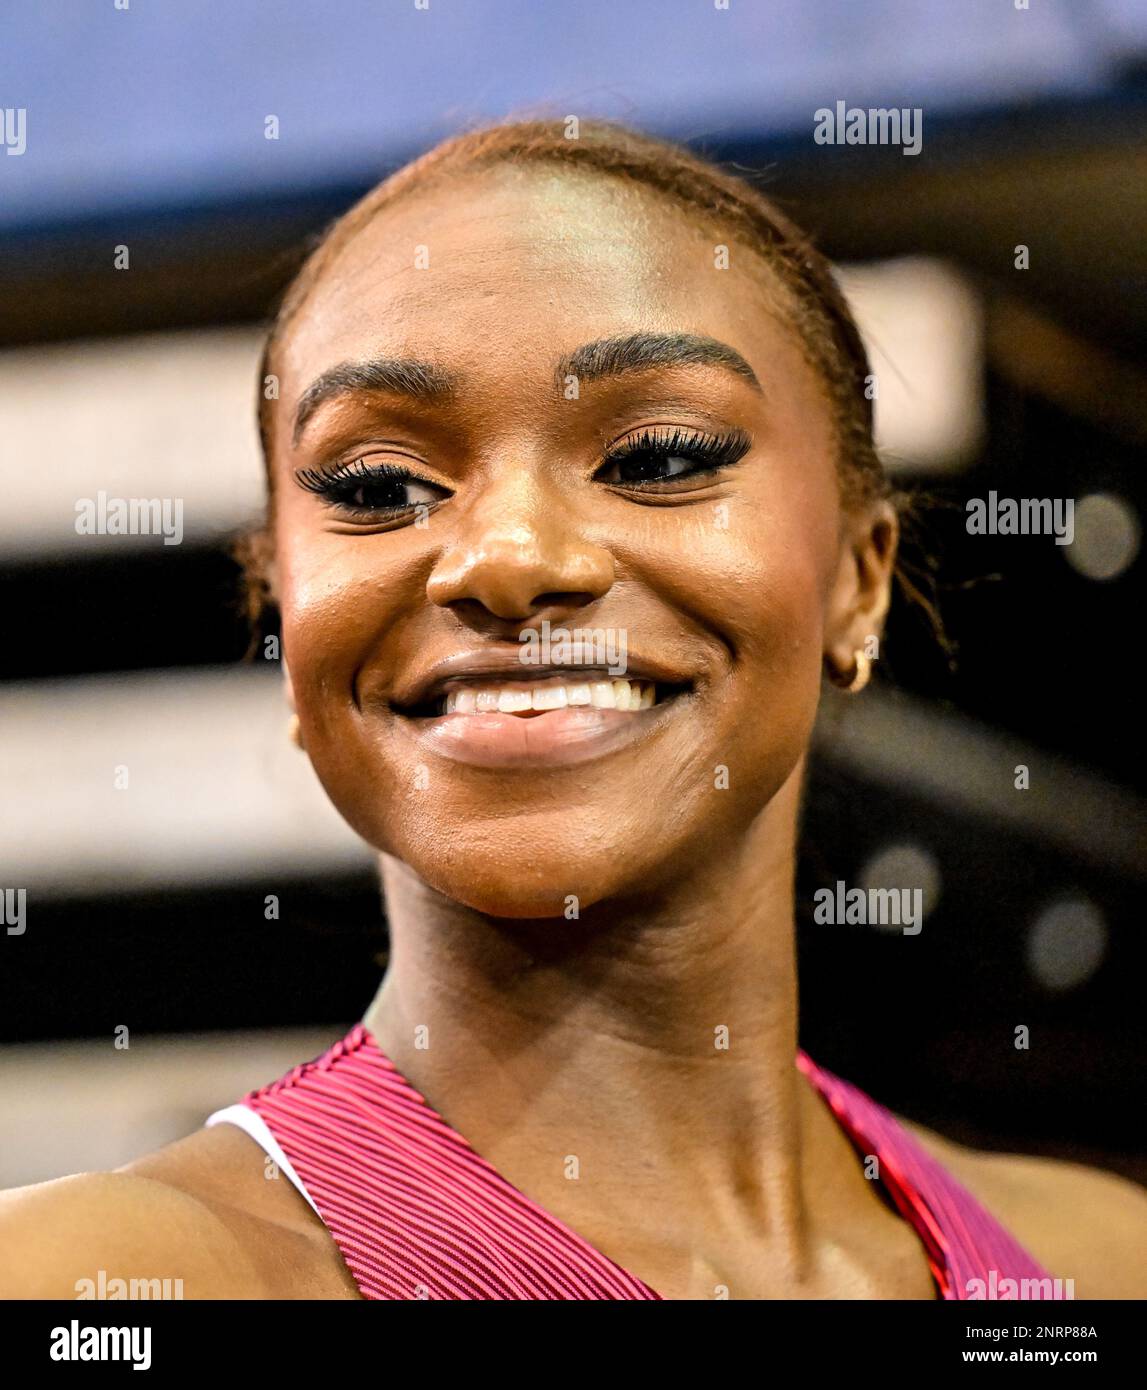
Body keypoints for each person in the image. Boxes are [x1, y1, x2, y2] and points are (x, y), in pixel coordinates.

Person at [3, 118, 1144, 1300]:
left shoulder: (1093, 1270)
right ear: (282, 615)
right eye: (380, 485)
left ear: (857, 582)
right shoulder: (89, 1283)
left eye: (656, 457)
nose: (506, 558)